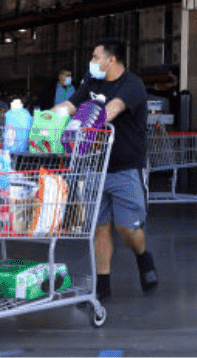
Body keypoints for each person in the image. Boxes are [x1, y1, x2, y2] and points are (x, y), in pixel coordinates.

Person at [55, 39, 158, 301]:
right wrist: (49, 118)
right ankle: (102, 285)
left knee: (127, 230)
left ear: (111, 59)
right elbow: (72, 105)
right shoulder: (92, 82)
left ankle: (142, 256)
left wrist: (87, 124)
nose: (92, 62)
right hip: (94, 166)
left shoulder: (131, 85)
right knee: (99, 227)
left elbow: (113, 109)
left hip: (125, 168)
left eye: (95, 56)